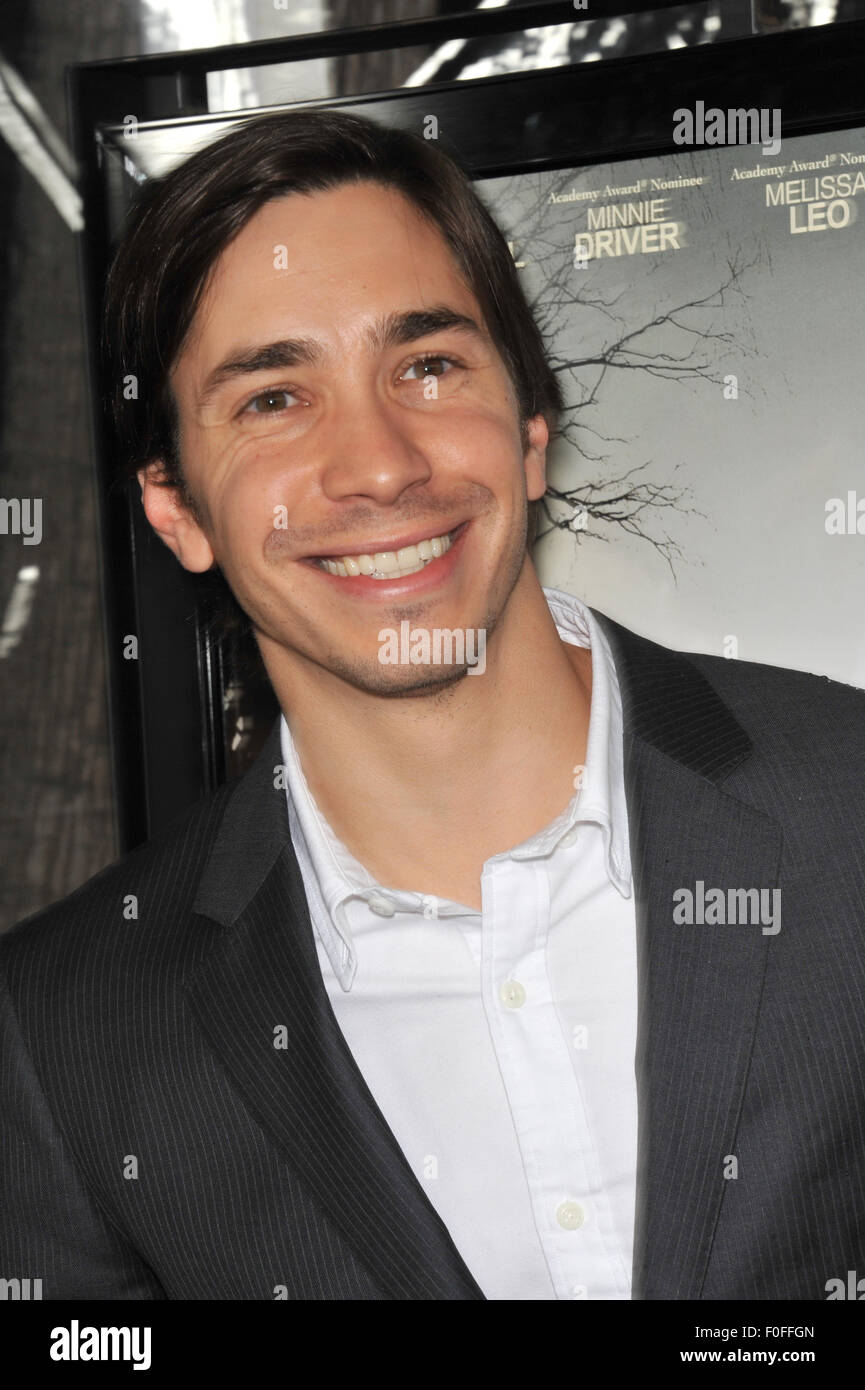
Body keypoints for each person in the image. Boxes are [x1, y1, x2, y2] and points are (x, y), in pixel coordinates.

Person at [2, 108, 864, 1303]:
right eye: (272, 398)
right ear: (177, 511)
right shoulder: (60, 1035)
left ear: (527, 431)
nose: (381, 462)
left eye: (426, 366)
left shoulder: (850, 804)